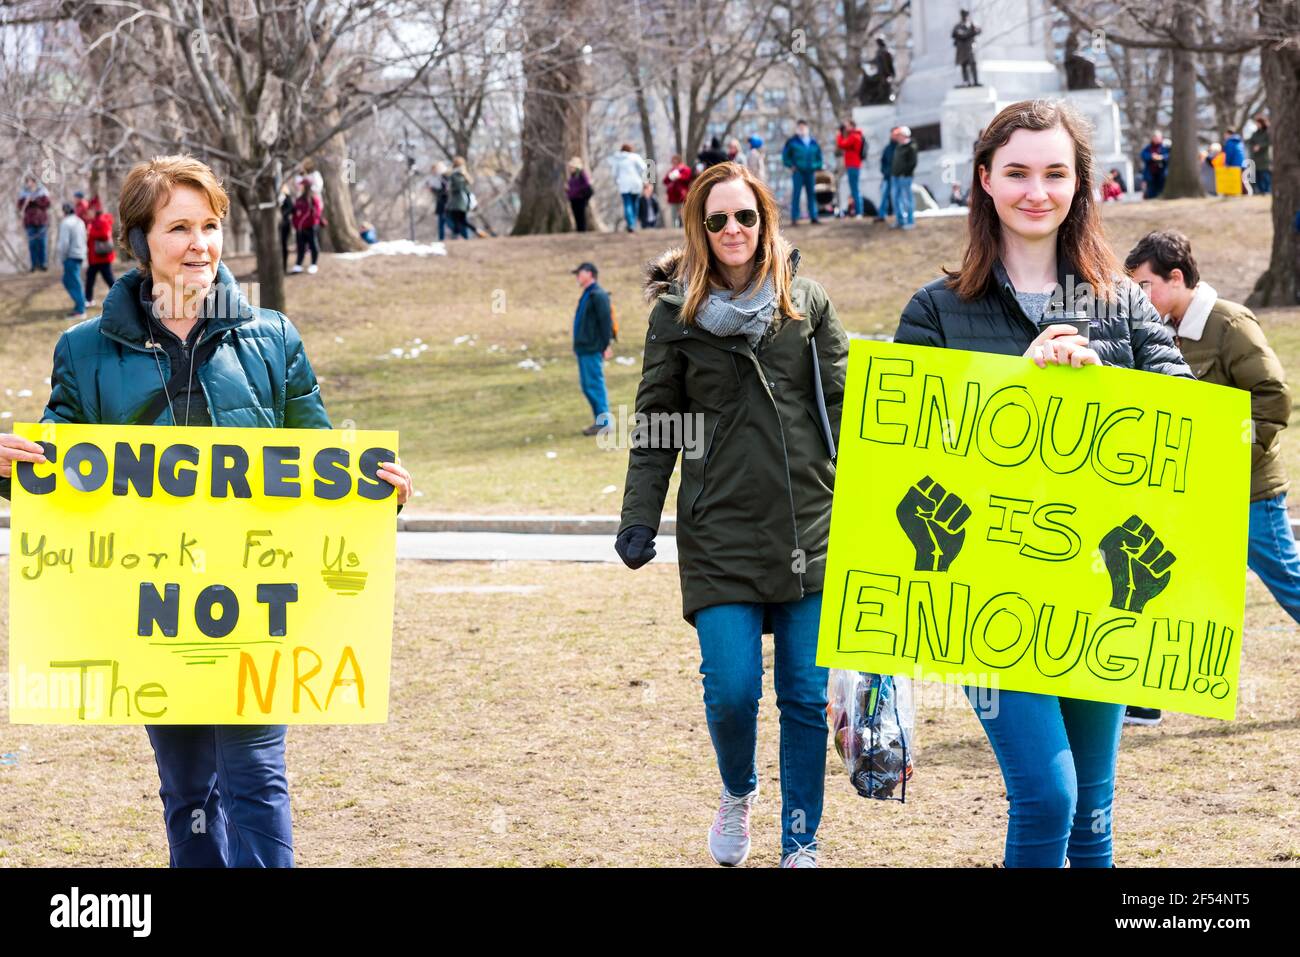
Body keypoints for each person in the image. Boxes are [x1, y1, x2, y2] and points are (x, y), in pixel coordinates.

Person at [0, 153, 414, 867]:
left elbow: (315, 456)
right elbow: (60, 474)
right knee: (189, 793)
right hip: (152, 610)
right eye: (179, 227)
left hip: (255, 605)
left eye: (212, 225)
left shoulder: (273, 337)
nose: (201, 244)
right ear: (138, 241)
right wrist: (12, 474)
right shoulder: (84, 350)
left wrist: (372, 488)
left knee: (257, 780)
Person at [894, 99, 1190, 868]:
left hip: (1097, 590)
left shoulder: (1122, 303)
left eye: (1056, 172)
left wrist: (1109, 391)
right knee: (1049, 797)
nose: (1037, 190)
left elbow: (1188, 433)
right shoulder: (933, 311)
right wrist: (1013, 391)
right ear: (985, 180)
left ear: (1080, 184)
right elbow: (909, 463)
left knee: (1093, 815)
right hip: (987, 597)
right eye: (1017, 171)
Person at [616, 161, 848, 868]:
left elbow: (847, 406)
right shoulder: (675, 316)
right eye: (717, 219)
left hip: (808, 524)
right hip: (717, 529)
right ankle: (738, 791)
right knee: (732, 691)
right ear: (699, 228)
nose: (733, 230)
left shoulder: (806, 301)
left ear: (764, 217)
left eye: (744, 216)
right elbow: (659, 421)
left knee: (805, 696)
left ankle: (801, 841)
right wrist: (638, 516)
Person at [1125, 230, 1297, 724]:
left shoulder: (1229, 323)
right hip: (1192, 494)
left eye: (1144, 285)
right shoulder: (1161, 329)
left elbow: (1271, 395)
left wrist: (1230, 459)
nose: (1138, 298)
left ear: (1176, 278)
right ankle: (1145, 696)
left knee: (1287, 581)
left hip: (1247, 491)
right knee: (1162, 580)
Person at [570, 262, 613, 436]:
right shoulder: (588, 294)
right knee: (588, 386)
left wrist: (605, 345)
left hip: (592, 348)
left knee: (594, 385)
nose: (577, 277)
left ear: (589, 273)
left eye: (579, 273)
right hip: (583, 348)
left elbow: (605, 322)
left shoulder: (598, 295)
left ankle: (604, 423)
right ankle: (600, 421)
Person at [782, 119, 823, 226]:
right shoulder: (792, 142)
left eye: (803, 127)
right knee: (796, 194)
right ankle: (794, 218)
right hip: (798, 172)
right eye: (799, 128)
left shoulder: (813, 142)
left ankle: (814, 217)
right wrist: (791, 166)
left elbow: (819, 158)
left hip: (810, 172)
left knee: (811, 195)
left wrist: (817, 166)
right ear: (797, 129)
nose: (802, 129)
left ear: (807, 128)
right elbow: (785, 157)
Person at [55, 201, 88, 319]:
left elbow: (64, 243)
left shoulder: (65, 223)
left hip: (70, 256)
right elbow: (85, 237)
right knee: (70, 280)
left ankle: (80, 310)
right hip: (80, 255)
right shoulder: (80, 221)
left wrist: (62, 257)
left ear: (64, 211)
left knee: (73, 281)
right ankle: (81, 303)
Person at [84, 196, 116, 306]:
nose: (88, 213)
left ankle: (121, 297)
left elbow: (105, 235)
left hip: (102, 258)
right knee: (89, 279)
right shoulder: (92, 222)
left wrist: (90, 233)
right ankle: (88, 299)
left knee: (110, 280)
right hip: (94, 258)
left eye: (90, 211)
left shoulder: (102, 220)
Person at [610, 144, 648, 233]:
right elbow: (644, 167)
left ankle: (631, 224)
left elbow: (614, 173)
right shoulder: (635, 157)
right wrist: (644, 179)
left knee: (627, 204)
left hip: (624, 184)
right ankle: (633, 224)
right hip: (635, 183)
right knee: (635, 204)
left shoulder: (617, 159)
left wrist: (617, 181)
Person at [17, 175, 51, 272]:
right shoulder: (23, 193)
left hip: (41, 221)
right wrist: (26, 201)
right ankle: (34, 265)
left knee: (42, 243)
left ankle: (43, 264)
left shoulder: (42, 192)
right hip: (29, 221)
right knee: (32, 244)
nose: (29, 184)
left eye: (31, 181)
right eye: (27, 182)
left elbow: (47, 204)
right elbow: (19, 206)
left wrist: (35, 200)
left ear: (35, 182)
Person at [290, 179, 322, 274]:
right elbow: (295, 214)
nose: (299, 187)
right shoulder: (298, 200)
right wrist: (296, 224)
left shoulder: (313, 199)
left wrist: (310, 223)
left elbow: (317, 213)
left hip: (311, 227)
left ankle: (313, 264)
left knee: (313, 245)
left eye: (301, 186)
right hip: (300, 228)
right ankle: (298, 265)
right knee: (300, 247)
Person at [836, 118, 866, 217]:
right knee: (855, 189)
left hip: (853, 165)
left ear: (852, 126)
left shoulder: (854, 136)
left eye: (847, 126)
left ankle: (859, 212)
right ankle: (858, 211)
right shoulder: (855, 135)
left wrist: (840, 133)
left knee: (855, 189)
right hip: (852, 165)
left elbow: (841, 144)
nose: (845, 128)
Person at [890, 126, 918, 230]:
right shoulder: (898, 146)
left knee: (907, 199)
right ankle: (900, 220)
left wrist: (905, 173)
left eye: (899, 135)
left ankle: (910, 221)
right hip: (896, 177)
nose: (897, 137)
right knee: (896, 199)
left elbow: (913, 163)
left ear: (904, 135)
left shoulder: (911, 146)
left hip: (905, 177)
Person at [446, 156, 473, 240]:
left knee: (456, 219)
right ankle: (471, 233)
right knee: (462, 220)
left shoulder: (456, 175)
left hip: (458, 201)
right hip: (464, 201)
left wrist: (450, 188)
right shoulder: (464, 174)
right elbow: (467, 190)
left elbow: (457, 187)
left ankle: (456, 235)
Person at [663, 154, 694, 227]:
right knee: (674, 214)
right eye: (673, 161)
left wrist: (679, 177)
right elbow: (665, 181)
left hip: (682, 195)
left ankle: (684, 227)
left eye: (675, 161)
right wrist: (670, 176)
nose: (674, 163)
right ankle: (674, 227)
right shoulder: (671, 170)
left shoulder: (685, 169)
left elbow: (688, 179)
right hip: (672, 196)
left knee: (683, 213)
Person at [566, 157, 594, 233]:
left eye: (572, 167)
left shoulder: (582, 174)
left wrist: (577, 190)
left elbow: (586, 184)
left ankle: (582, 230)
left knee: (581, 215)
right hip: (573, 198)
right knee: (576, 215)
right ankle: (579, 230)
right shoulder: (572, 175)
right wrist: (568, 191)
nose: (570, 168)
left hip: (580, 198)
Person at [425, 162, 451, 242]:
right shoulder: (436, 178)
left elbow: (444, 191)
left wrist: (432, 189)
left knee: (447, 220)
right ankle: (441, 238)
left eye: (434, 170)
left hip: (445, 201)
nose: (433, 172)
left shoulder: (442, 177)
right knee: (442, 221)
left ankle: (458, 234)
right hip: (440, 201)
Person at [1140, 131, 1170, 199]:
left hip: (1162, 173)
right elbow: (1143, 155)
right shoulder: (1149, 147)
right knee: (1151, 192)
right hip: (1151, 174)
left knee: (1161, 189)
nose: (1157, 139)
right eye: (1155, 137)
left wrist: (1162, 157)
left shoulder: (1165, 147)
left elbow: (1169, 156)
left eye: (1158, 138)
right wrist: (1151, 156)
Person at [877, 127, 897, 222]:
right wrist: (885, 171)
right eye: (892, 133)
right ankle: (882, 214)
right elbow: (883, 162)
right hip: (887, 176)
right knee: (884, 195)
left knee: (897, 197)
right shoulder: (888, 148)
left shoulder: (901, 147)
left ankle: (898, 214)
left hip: (897, 176)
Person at [1248, 115, 1271, 195]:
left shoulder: (1267, 132)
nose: (1257, 125)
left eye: (1258, 123)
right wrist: (1253, 147)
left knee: (1264, 175)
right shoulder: (1255, 133)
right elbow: (1250, 142)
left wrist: (1260, 146)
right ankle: (1260, 191)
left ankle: (1267, 190)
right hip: (1255, 158)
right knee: (1257, 175)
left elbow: (1269, 142)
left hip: (1264, 158)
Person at [278, 182, 295, 271]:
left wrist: (283, 215)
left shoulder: (287, 197)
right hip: (279, 225)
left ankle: (284, 266)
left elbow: (291, 208)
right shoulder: (276, 198)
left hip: (285, 224)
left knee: (283, 245)